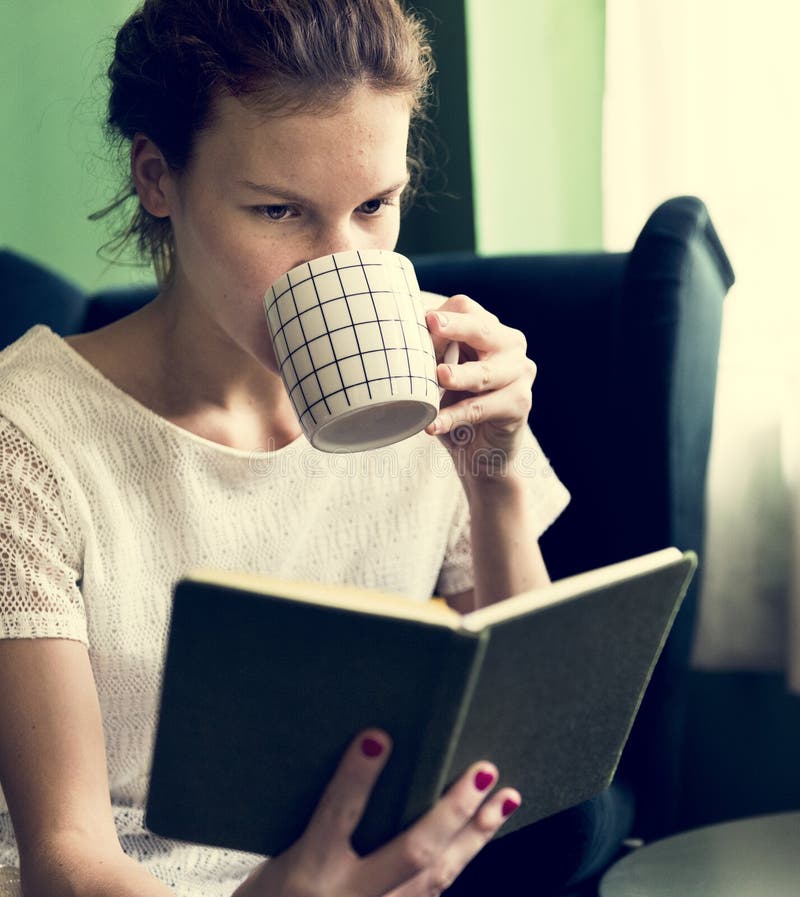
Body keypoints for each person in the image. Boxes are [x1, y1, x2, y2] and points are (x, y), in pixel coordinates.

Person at [0, 1, 572, 895]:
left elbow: (529, 738)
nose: (335, 261)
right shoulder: (26, 436)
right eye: (279, 210)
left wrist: (492, 473)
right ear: (158, 179)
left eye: (374, 206)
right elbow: (64, 861)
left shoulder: (429, 385)